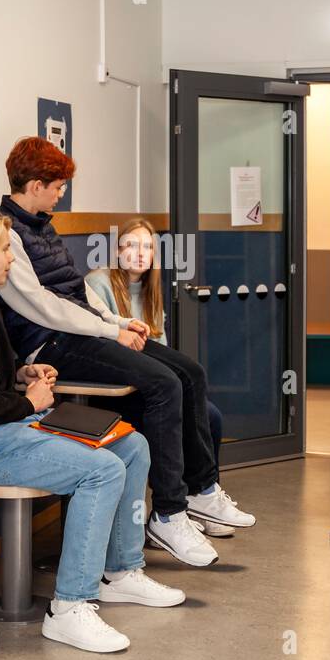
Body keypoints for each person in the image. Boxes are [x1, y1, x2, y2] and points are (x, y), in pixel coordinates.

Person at [0, 207, 184, 655]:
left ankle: (121, 571)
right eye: (4, 251)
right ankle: (69, 607)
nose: (11, 260)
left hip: (9, 422)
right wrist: (30, 401)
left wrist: (23, 373)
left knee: (132, 444)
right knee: (101, 471)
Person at [0, 137, 254, 568]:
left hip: (84, 332)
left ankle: (202, 491)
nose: (62, 194)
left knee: (191, 372)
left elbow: (76, 291)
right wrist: (106, 330)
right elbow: (40, 304)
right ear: (36, 184)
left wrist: (118, 322)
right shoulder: (5, 230)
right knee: (164, 384)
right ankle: (168, 514)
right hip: (50, 343)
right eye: (57, 186)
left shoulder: (43, 224)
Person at [83, 217, 234, 538]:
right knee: (189, 414)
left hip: (150, 388)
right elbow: (104, 348)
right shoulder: (99, 282)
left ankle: (198, 500)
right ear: (117, 249)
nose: (140, 254)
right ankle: (174, 508)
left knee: (211, 416)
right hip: (113, 392)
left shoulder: (151, 289)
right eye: (132, 245)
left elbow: (160, 350)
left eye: (148, 247)